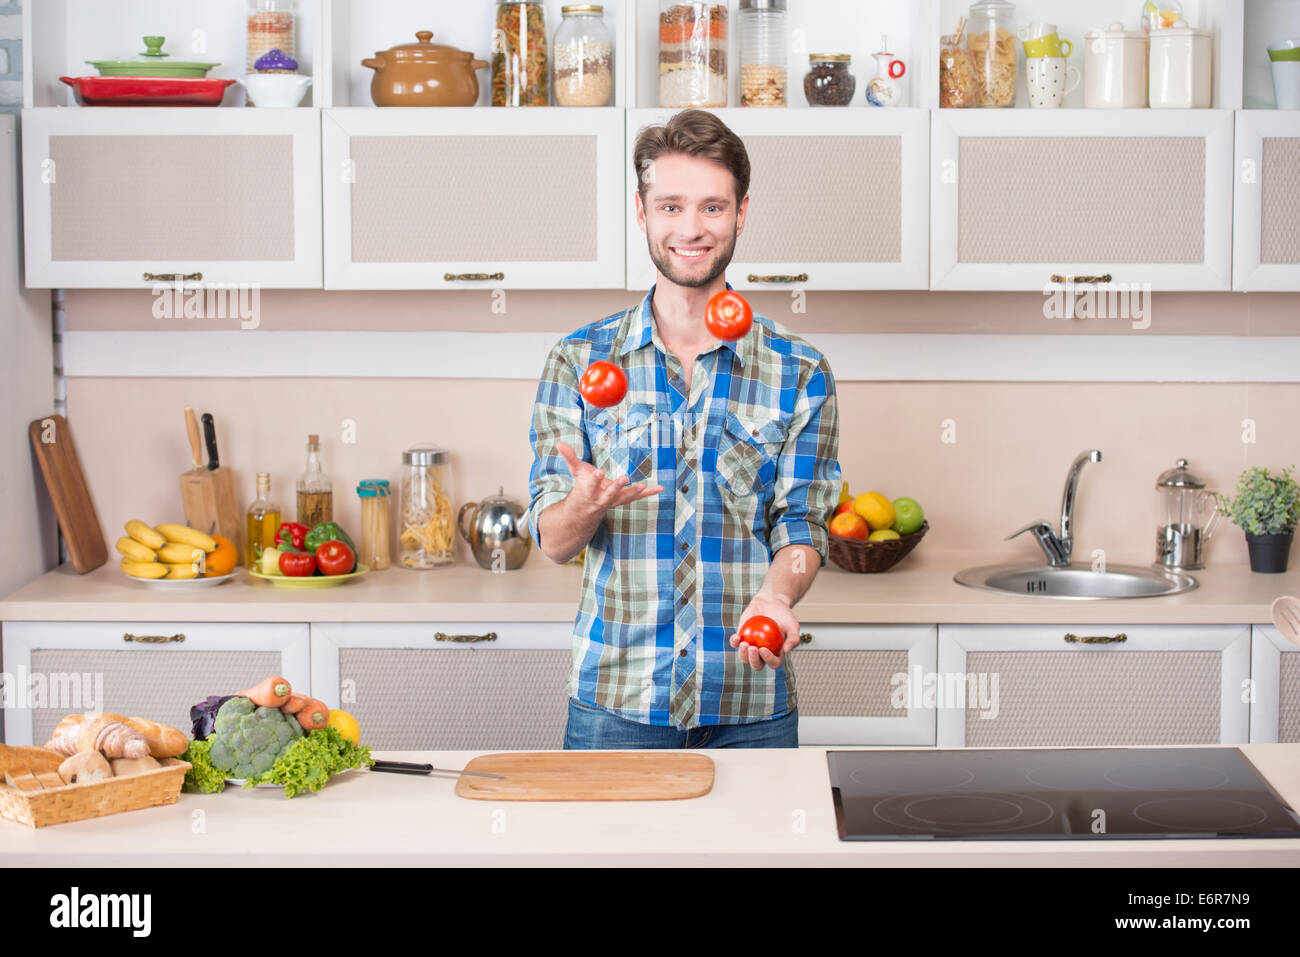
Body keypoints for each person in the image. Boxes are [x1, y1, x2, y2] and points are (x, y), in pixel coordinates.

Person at [524, 109, 841, 749]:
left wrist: (778, 596)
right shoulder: (579, 361)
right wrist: (583, 505)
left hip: (750, 703)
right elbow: (554, 543)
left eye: (712, 208)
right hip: (615, 707)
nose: (691, 229)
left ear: (742, 212)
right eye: (670, 206)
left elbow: (803, 524)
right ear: (641, 213)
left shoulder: (800, 369)